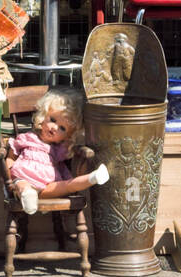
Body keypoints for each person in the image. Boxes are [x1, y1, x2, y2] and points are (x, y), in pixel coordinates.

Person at [6, 87, 108, 215]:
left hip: (47, 186)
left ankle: (93, 177)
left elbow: (73, 152)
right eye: (52, 120)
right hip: (23, 178)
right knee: (22, 185)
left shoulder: (59, 150)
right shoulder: (27, 138)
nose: (54, 128)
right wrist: (9, 172)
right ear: (43, 116)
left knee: (68, 186)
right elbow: (11, 156)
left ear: (68, 136)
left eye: (62, 128)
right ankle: (28, 196)